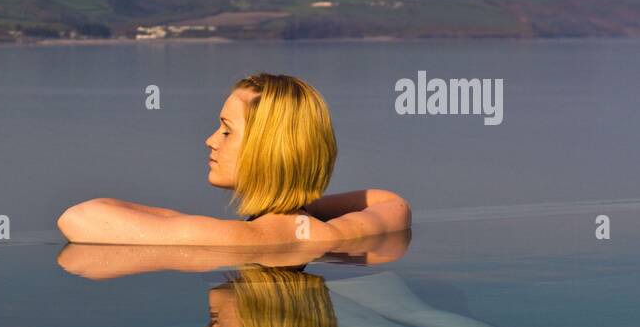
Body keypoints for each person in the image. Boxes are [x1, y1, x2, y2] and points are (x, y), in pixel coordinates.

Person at [57, 71, 411, 248]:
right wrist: (297, 202)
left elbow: (78, 218)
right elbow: (390, 202)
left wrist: (179, 220)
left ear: (265, 149)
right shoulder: (331, 235)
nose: (210, 140)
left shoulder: (237, 239)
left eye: (226, 130)